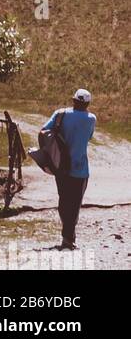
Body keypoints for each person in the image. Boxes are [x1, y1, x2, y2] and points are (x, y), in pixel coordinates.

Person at [42, 89, 95, 249]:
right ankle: (68, 237)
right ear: (87, 104)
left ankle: (68, 235)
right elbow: (89, 137)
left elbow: (44, 131)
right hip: (80, 168)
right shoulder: (91, 119)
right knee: (75, 204)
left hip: (61, 167)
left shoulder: (60, 114)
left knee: (64, 201)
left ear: (73, 101)